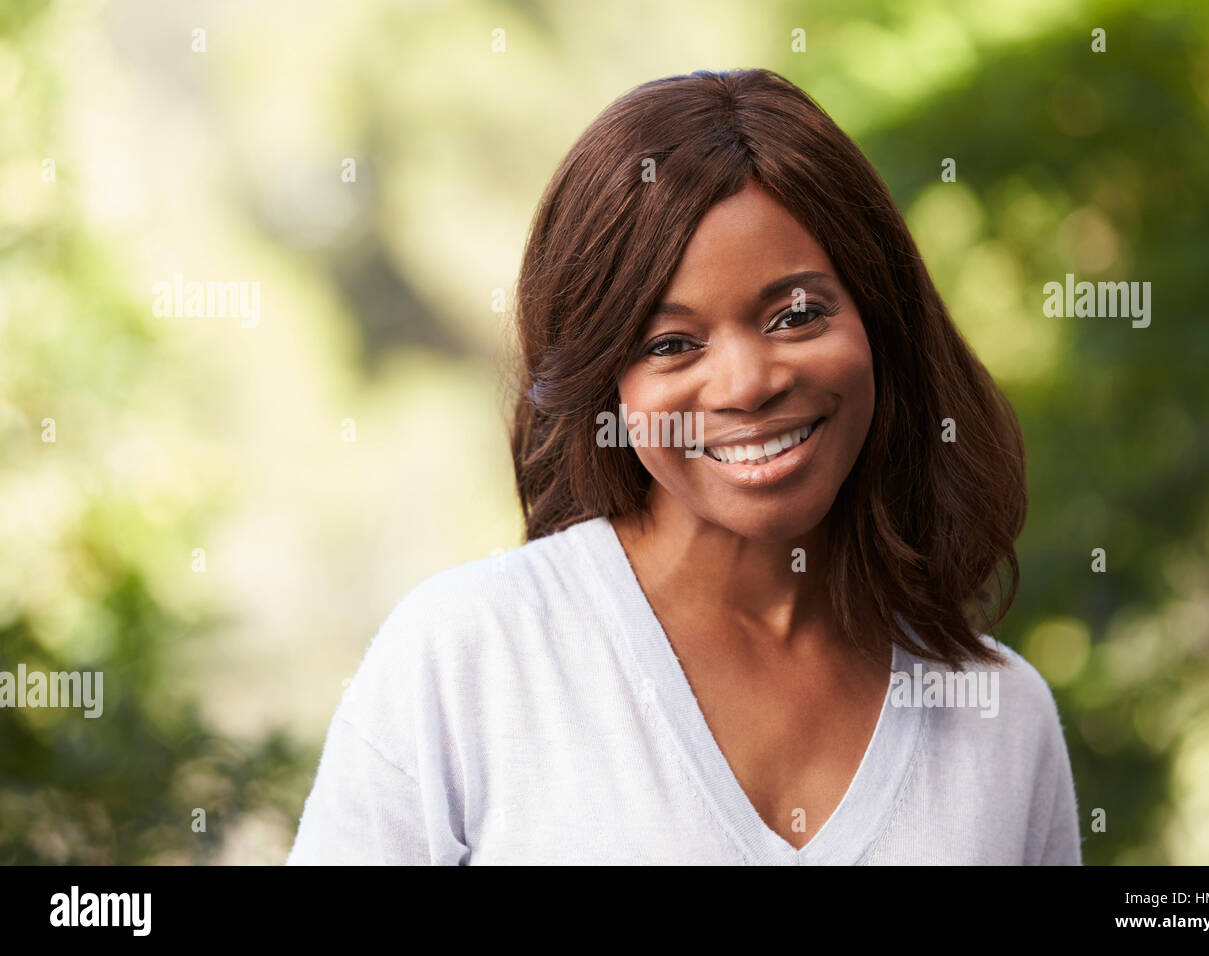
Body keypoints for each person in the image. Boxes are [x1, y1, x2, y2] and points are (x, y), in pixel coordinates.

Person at [286, 67, 1082, 865]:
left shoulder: (1001, 719)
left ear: (881, 320)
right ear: (609, 382)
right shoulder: (467, 661)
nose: (746, 383)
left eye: (797, 314)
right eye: (671, 344)